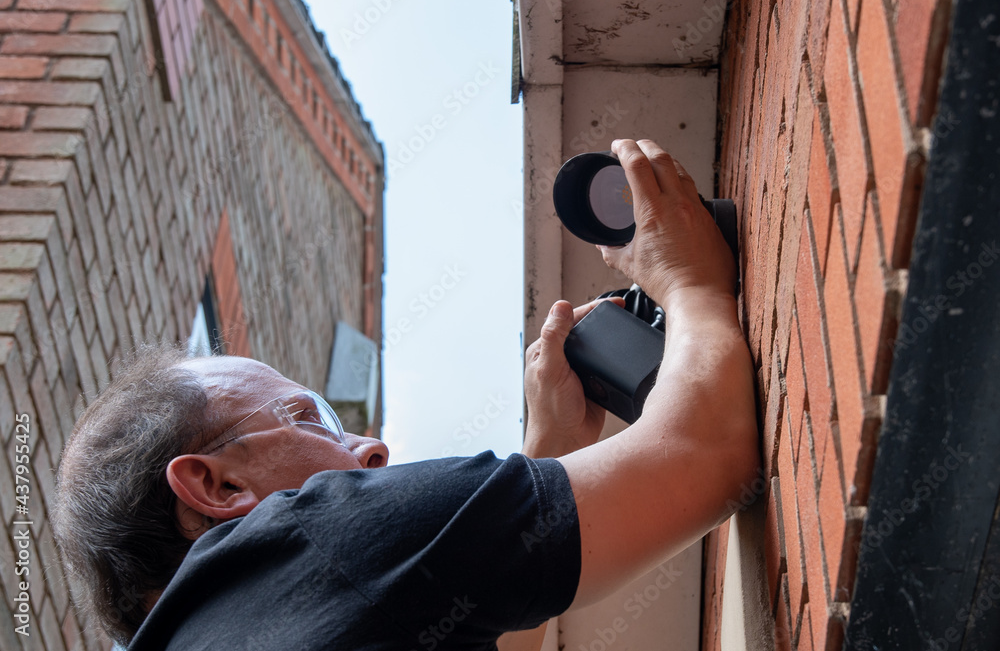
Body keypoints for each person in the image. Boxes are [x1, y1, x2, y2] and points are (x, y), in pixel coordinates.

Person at [52, 139, 759, 650]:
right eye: (309, 417)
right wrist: (688, 279)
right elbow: (710, 453)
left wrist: (552, 451)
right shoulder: (313, 544)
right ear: (218, 483)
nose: (372, 449)